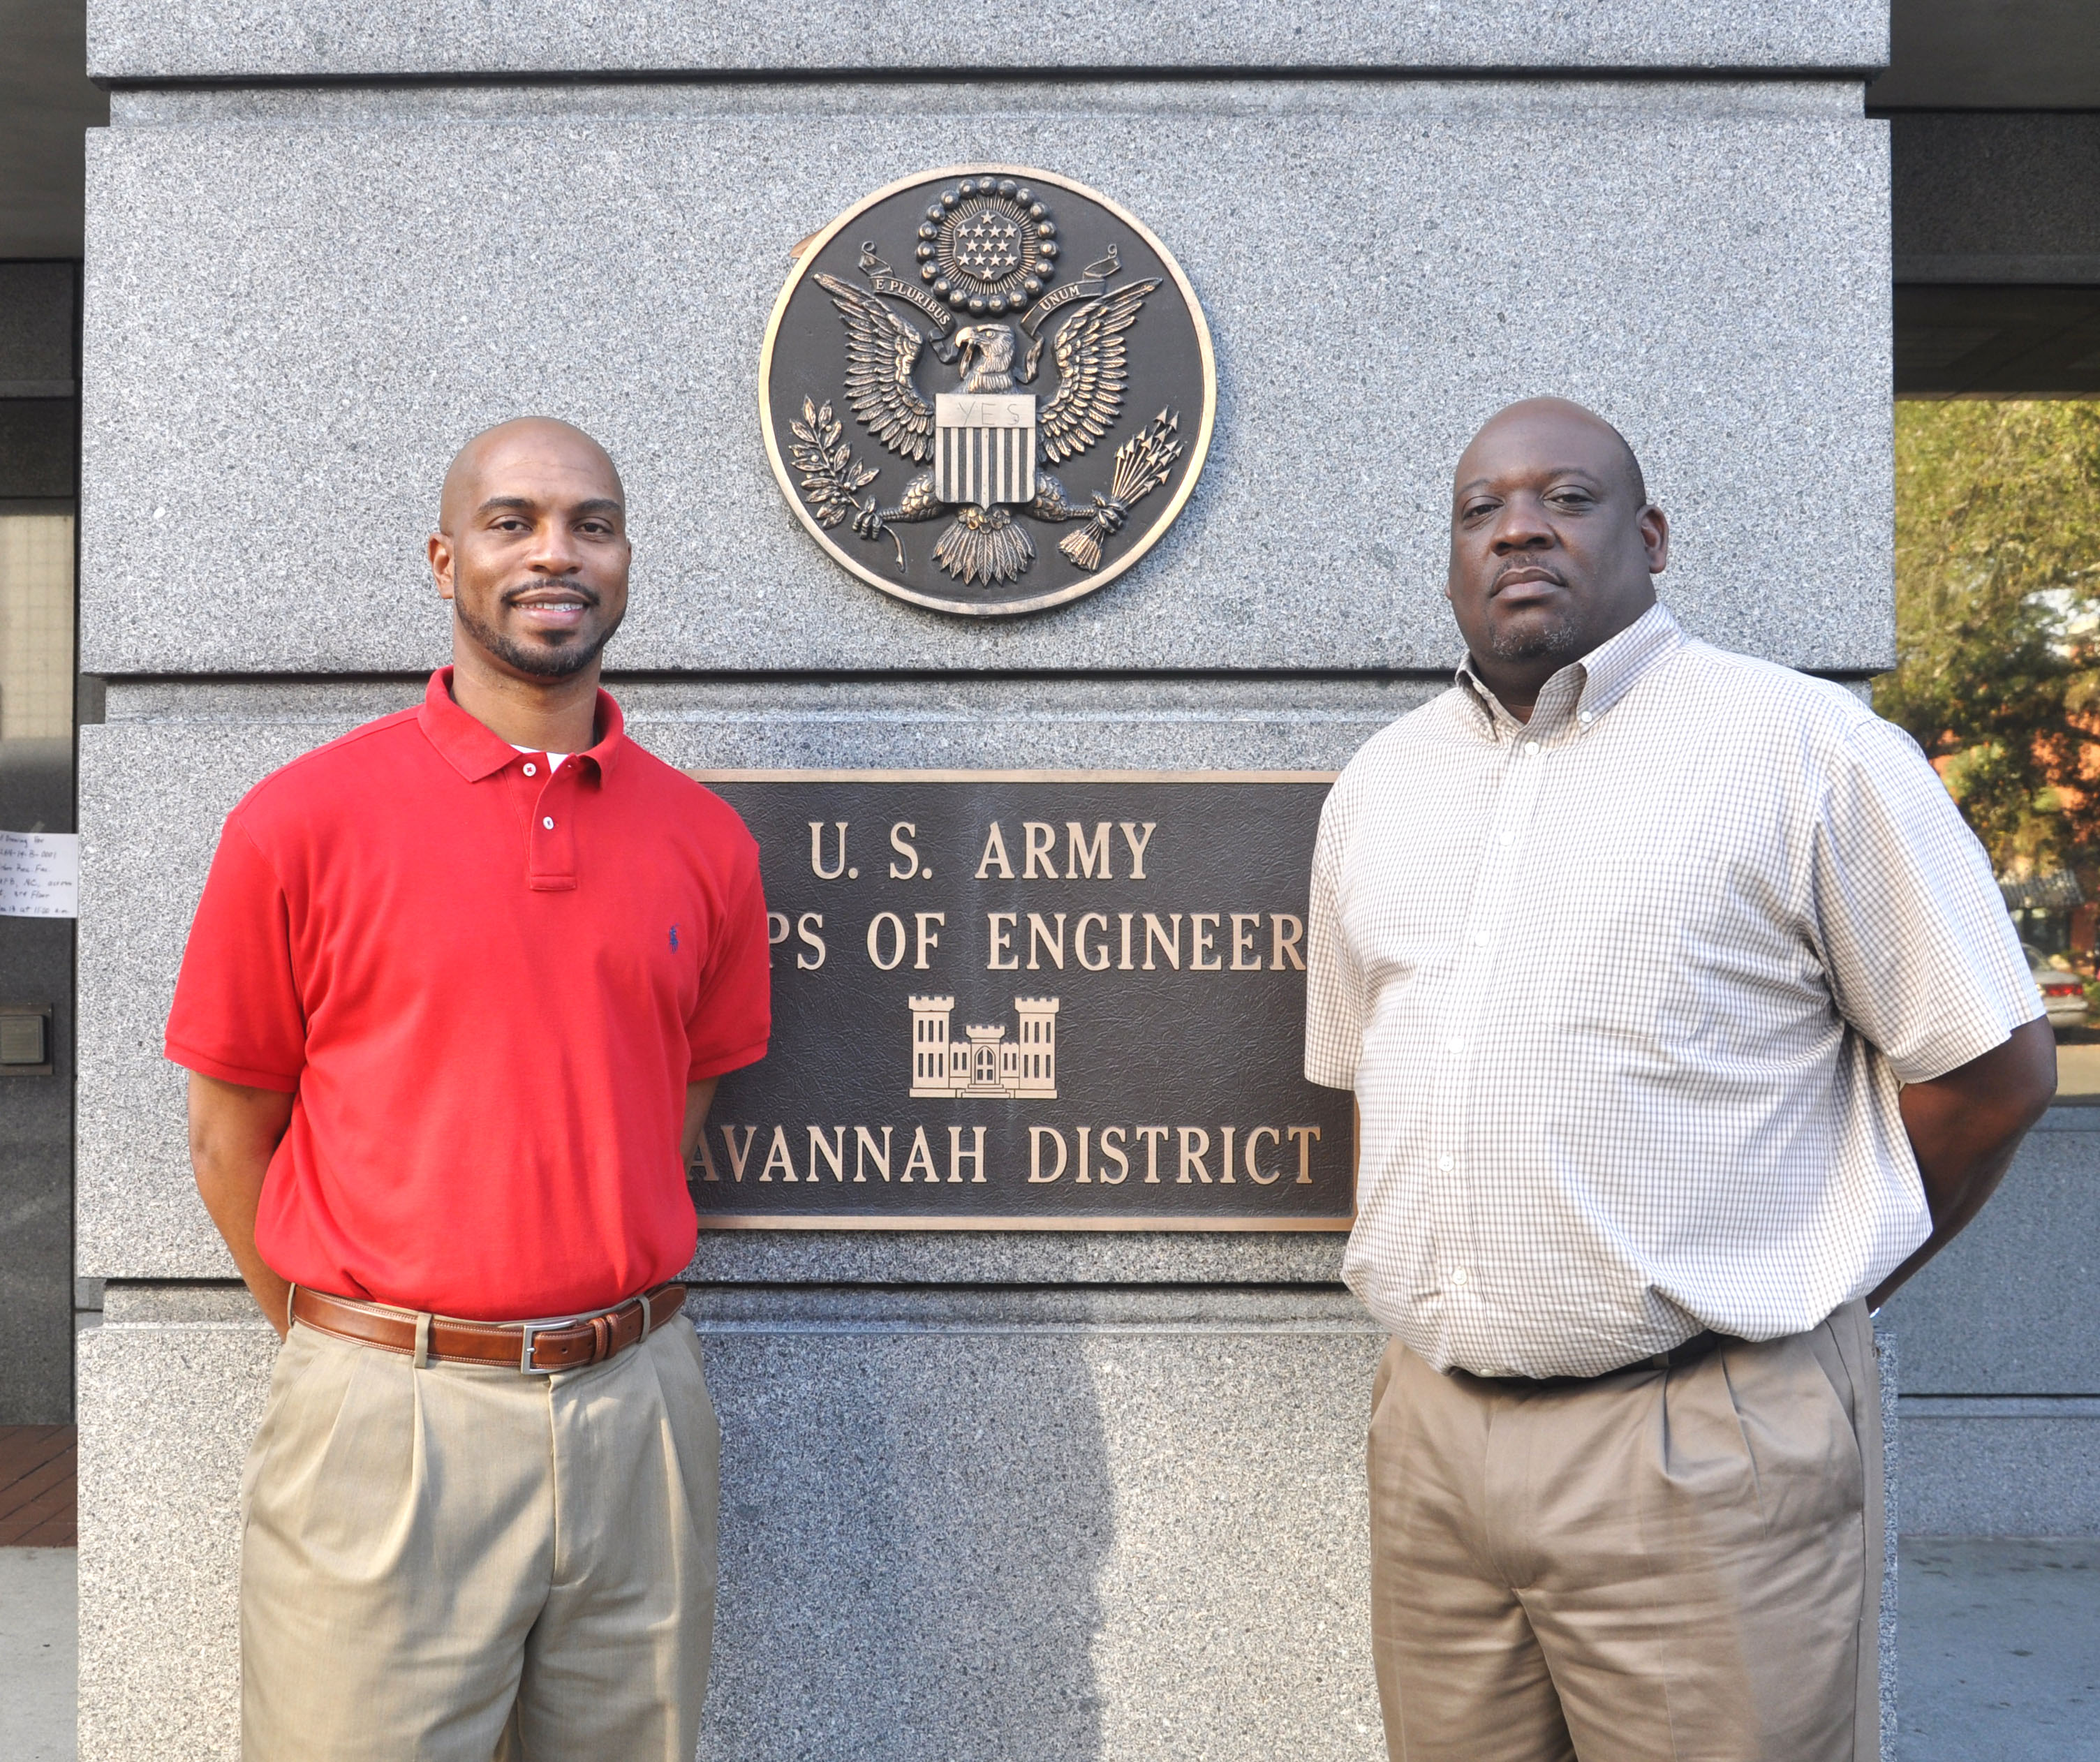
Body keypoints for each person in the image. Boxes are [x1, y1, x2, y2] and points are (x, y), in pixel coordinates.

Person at [1303, 397, 2055, 1762]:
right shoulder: (1379, 785)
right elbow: (1372, 1079)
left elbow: (1990, 1072)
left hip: (1703, 1439)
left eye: (1564, 497)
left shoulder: (1804, 752)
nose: (1518, 525)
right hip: (1432, 1445)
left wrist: (1806, 1277)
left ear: (1645, 536)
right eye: (1482, 507)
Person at [165, 417, 771, 1761]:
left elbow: (679, 1108)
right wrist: (360, 1352)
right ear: (446, 558)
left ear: (625, 560)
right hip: (390, 1425)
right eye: (512, 522)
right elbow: (226, 1138)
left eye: (591, 524)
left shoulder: (707, 843)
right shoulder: (300, 822)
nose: (554, 552)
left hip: (639, 1420)